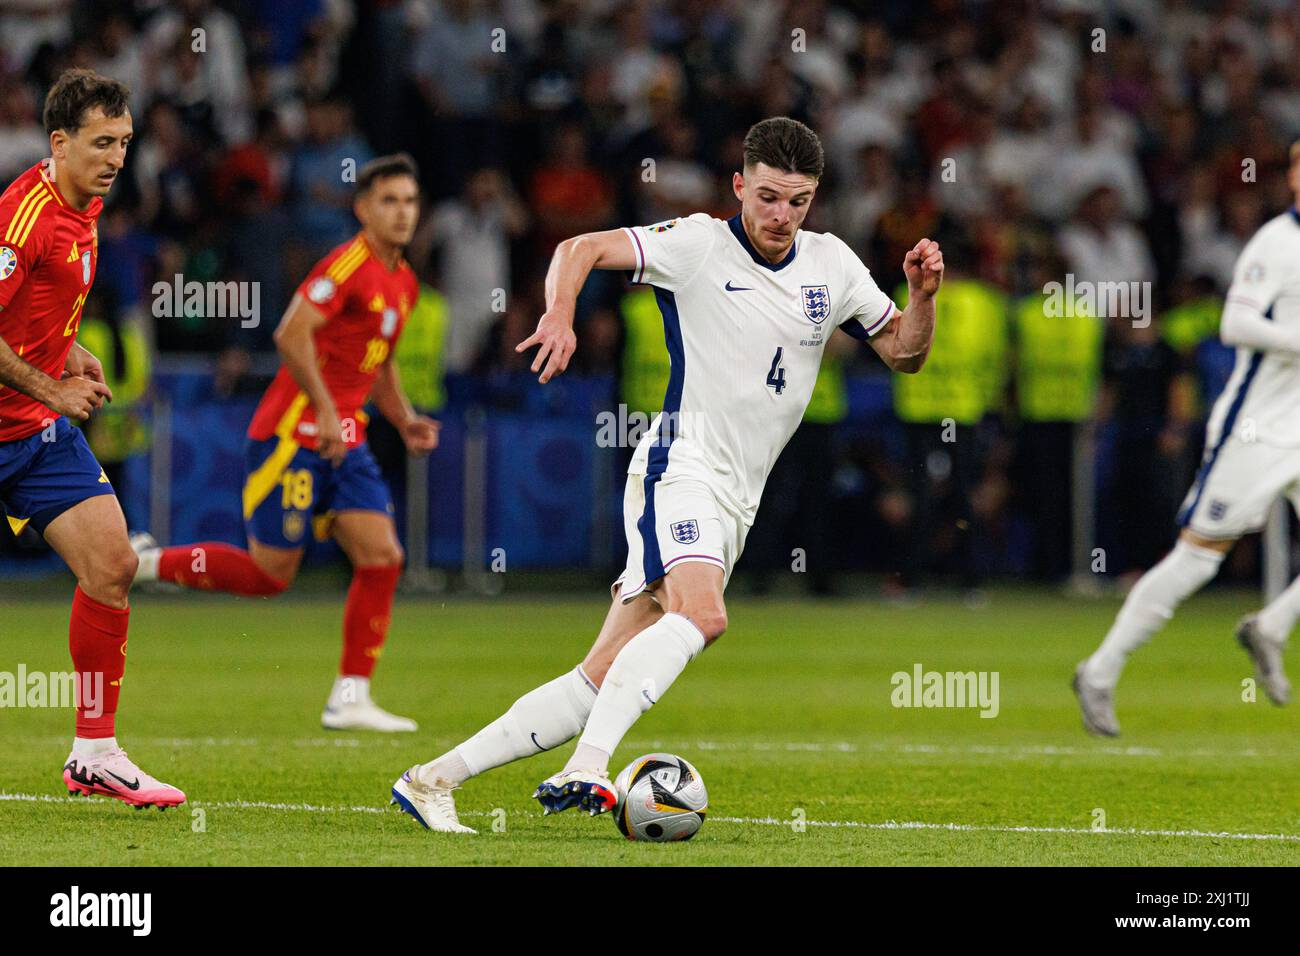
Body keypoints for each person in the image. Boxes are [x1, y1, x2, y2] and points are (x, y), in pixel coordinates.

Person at [390, 117, 942, 833]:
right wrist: (560, 313)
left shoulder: (832, 265)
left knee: (599, 677)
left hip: (735, 499)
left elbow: (904, 353)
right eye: (769, 197)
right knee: (703, 615)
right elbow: (579, 245)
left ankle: (431, 779)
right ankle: (589, 766)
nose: (781, 215)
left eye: (798, 201)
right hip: (679, 466)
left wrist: (923, 298)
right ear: (739, 185)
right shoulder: (698, 244)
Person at [131, 154, 439, 733]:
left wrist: (403, 419)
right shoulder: (346, 267)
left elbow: (379, 363)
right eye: (390, 201)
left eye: (411, 201)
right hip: (291, 435)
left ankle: (351, 696)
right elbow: (289, 334)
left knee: (383, 558)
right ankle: (147, 563)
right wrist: (323, 408)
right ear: (363, 209)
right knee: (271, 575)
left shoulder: (403, 283)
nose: (403, 213)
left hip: (348, 438)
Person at [0, 68, 184, 808]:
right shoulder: (22, 219)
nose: (115, 157)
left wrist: (66, 347)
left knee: (111, 564)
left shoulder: (89, 204)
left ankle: (95, 754)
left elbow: (39, 305)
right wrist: (52, 386)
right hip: (29, 408)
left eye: (125, 142)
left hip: (32, 431)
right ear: (59, 143)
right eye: (101, 143)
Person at [1075, 141, 1300, 735]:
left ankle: (1272, 625)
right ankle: (1100, 669)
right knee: (1199, 558)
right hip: (1257, 428)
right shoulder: (1278, 243)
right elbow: (1235, 321)